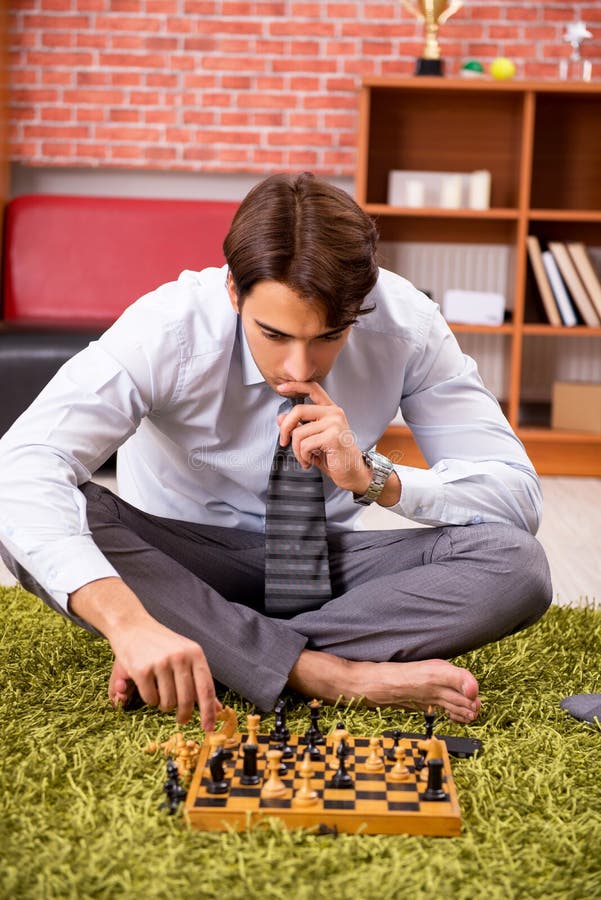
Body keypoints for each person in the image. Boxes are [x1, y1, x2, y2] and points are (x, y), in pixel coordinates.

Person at [0, 173, 552, 734]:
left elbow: (516, 497)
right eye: (275, 335)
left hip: (324, 568)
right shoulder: (168, 329)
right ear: (235, 293)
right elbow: (22, 465)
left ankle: (216, 650)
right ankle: (326, 673)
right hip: (181, 564)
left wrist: (372, 477)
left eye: (329, 336)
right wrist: (129, 625)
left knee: (515, 564)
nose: (299, 368)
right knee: (40, 513)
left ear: (360, 306)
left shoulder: (407, 323)